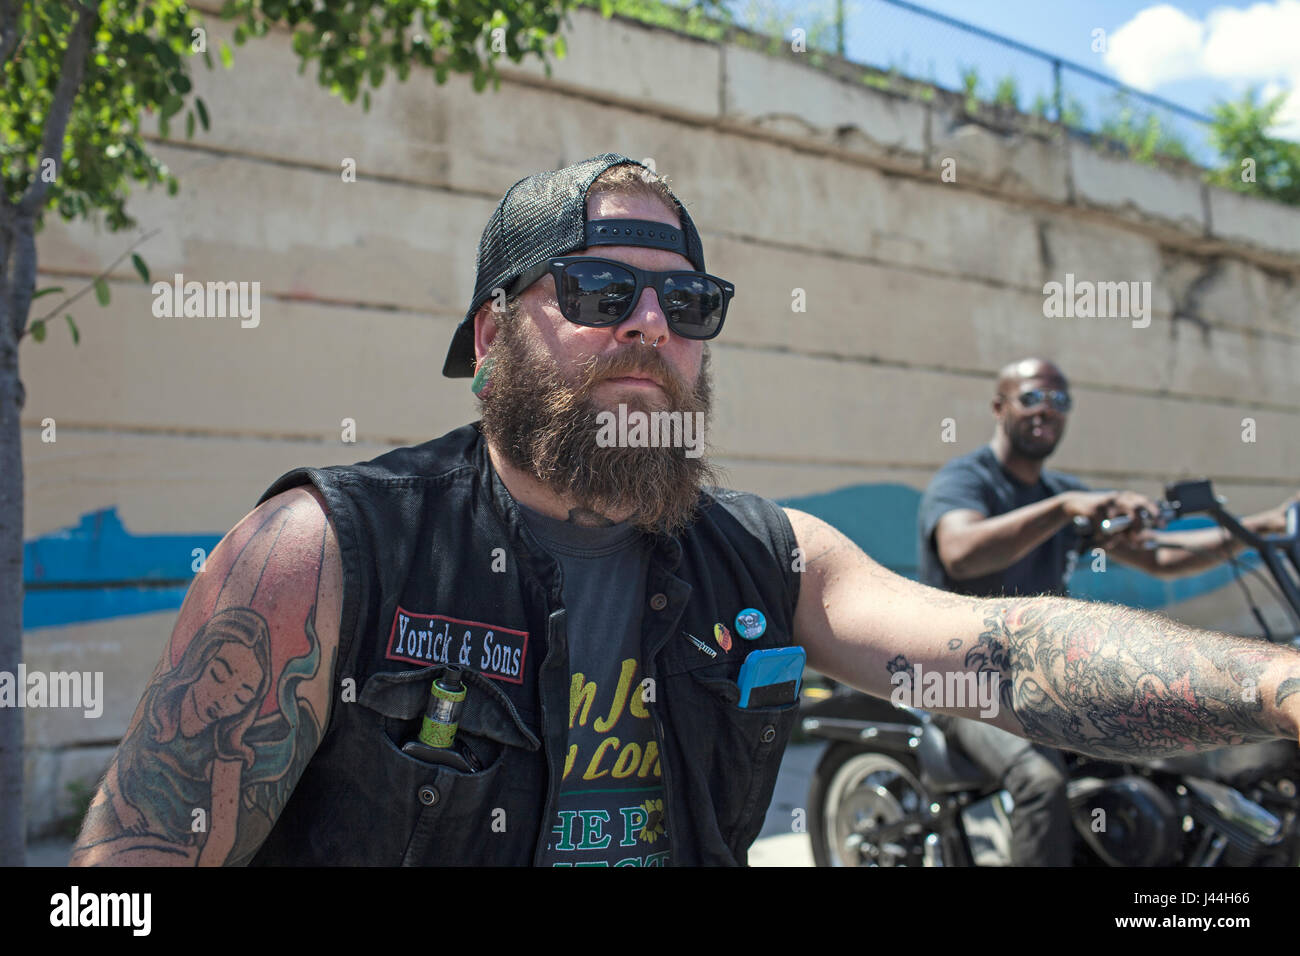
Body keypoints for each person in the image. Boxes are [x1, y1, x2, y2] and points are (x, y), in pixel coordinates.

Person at [72, 154, 1300, 867]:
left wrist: (1274, 687)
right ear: (493, 334)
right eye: (602, 289)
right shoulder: (330, 551)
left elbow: (1001, 654)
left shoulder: (767, 559)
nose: (649, 325)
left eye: (688, 302)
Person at [918, 356, 1299, 865]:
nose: (1046, 411)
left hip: (1046, 672)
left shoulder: (1061, 492)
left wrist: (1260, 527)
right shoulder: (969, 480)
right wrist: (1065, 509)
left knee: (1161, 724)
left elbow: (1160, 556)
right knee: (1039, 781)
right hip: (963, 677)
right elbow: (960, 553)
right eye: (1032, 397)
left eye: (1060, 401)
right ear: (999, 406)